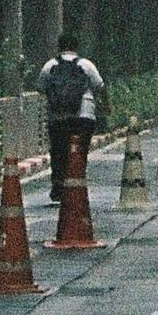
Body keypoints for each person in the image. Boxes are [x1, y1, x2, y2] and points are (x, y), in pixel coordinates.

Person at [35, 31, 104, 207]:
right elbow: (100, 86)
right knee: (80, 152)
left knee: (58, 152)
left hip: (57, 118)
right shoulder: (86, 65)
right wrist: (105, 106)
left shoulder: (50, 65)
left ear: (59, 47)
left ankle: (58, 188)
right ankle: (77, 186)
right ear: (76, 47)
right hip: (84, 116)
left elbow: (40, 88)